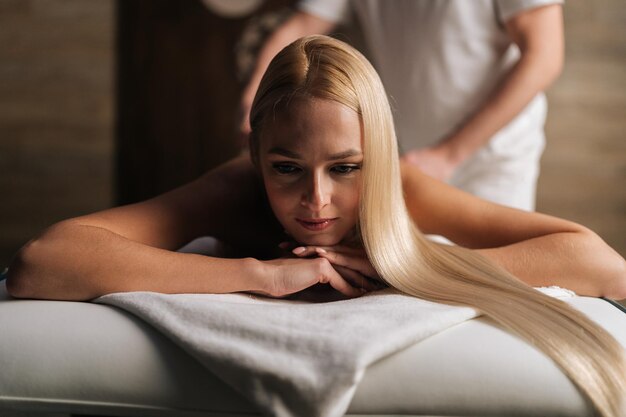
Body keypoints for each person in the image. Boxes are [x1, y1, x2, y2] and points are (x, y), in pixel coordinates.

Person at [5, 35, 626, 416]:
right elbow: (42, 263)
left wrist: (402, 271)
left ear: (377, 157)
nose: (317, 199)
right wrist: (259, 276)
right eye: (287, 168)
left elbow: (601, 263)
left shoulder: (402, 188)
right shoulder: (233, 192)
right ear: (255, 158)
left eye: (347, 167)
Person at [238, 0, 564, 211]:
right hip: (408, 155)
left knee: (494, 276)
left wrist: (449, 154)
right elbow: (302, 26)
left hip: (493, 159)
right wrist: (254, 100)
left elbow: (545, 56)